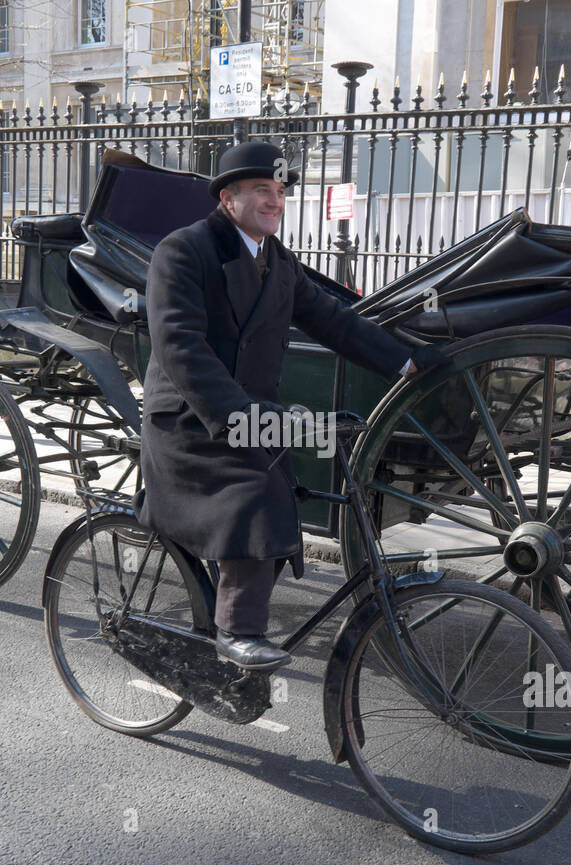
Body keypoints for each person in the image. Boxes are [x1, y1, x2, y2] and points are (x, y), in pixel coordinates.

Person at [135, 140, 446, 671]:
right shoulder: (184, 250)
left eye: (280, 192)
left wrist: (407, 361)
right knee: (257, 491)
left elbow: (333, 321)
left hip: (249, 415)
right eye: (261, 190)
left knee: (290, 489)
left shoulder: (277, 262)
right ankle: (236, 630)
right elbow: (180, 347)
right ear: (228, 198)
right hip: (191, 421)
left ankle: (230, 604)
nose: (274, 201)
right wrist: (239, 418)